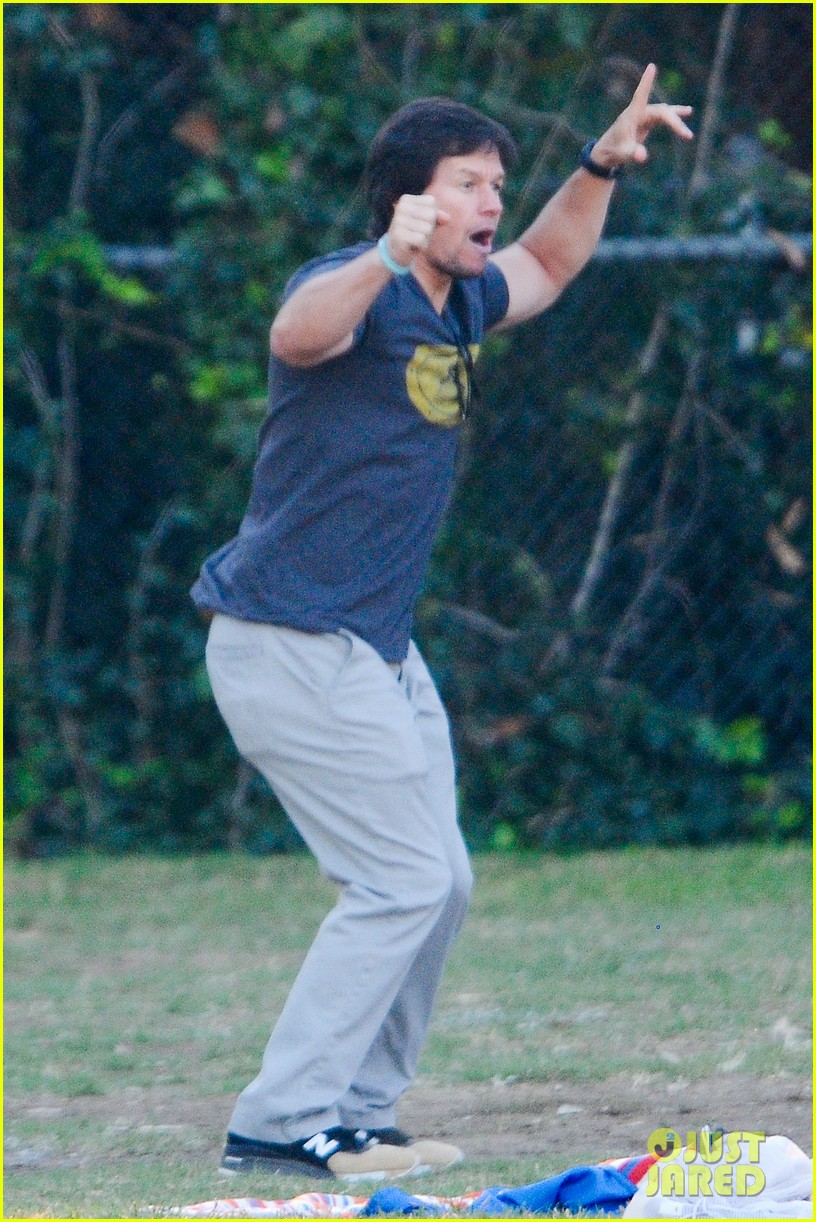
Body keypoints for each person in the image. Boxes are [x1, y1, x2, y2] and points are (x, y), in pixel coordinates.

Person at [191, 64, 693, 1183]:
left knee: (443, 880)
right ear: (407, 200)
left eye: (496, 185)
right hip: (288, 636)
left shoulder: (459, 296)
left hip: (370, 644)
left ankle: (359, 1110)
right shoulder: (354, 283)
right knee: (402, 882)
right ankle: (279, 1121)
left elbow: (553, 261)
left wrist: (599, 163)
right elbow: (296, 333)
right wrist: (381, 252)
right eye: (470, 184)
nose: (491, 205)